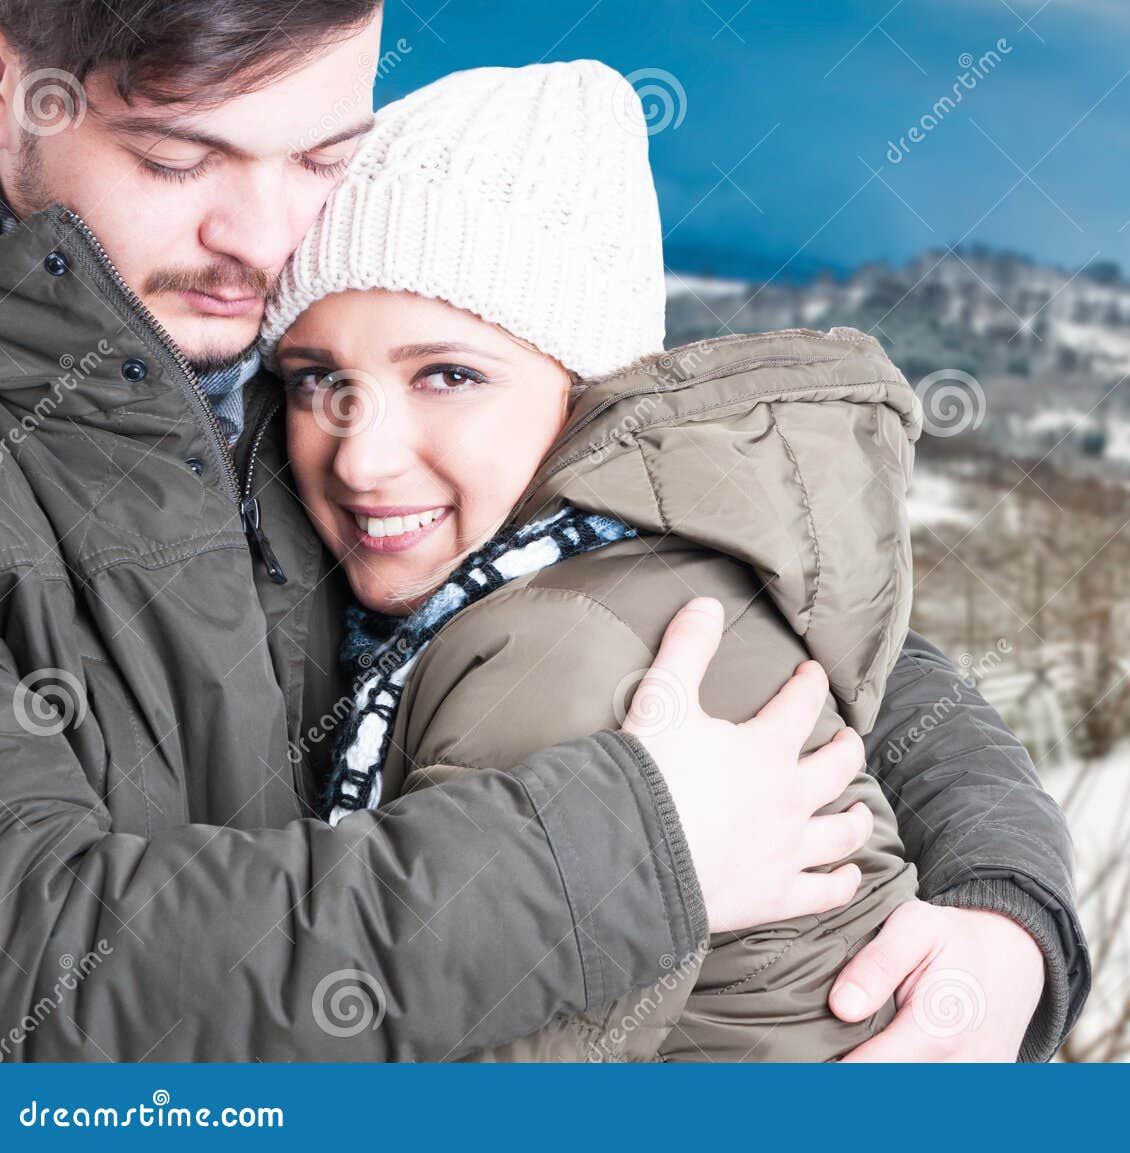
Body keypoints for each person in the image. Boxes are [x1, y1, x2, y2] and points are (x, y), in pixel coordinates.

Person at [0, 0, 1087, 1061]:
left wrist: (1003, 911)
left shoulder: (294, 351)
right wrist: (636, 846)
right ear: (14, 95)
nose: (268, 237)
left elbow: (788, 609)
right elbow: (42, 970)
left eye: (325, 159)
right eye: (178, 158)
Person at [264, 61, 932, 1060]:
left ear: (588, 393)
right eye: (319, 379)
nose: (360, 453)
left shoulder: (554, 650)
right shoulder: (612, 564)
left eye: (448, 375)